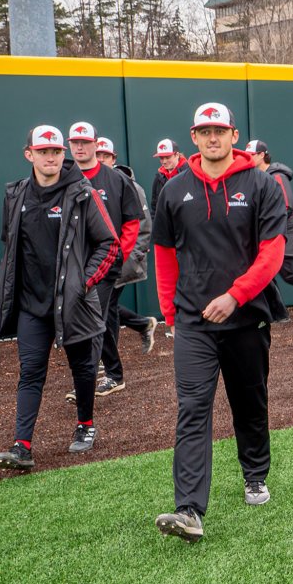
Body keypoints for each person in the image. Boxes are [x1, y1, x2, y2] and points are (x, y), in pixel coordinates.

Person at [151, 103, 288, 543]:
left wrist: (236, 296)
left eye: (220, 131)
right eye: (204, 131)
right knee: (192, 409)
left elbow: (273, 253)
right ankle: (189, 508)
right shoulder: (174, 190)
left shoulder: (262, 184)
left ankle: (254, 474)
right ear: (194, 137)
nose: (213, 138)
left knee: (250, 404)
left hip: (246, 318)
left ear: (233, 135)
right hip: (193, 322)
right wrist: (171, 314)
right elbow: (165, 255)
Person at [0, 125, 119, 471]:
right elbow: (11, 245)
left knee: (82, 369)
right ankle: (22, 446)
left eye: (57, 151)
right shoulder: (16, 195)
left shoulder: (81, 192)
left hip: (73, 304)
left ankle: (86, 424)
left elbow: (109, 243)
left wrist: (83, 284)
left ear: (63, 154)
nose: (51, 157)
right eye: (43, 151)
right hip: (33, 306)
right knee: (31, 371)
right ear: (29, 154)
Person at [67, 121, 143, 399]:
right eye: (75, 141)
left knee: (93, 317)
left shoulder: (115, 179)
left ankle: (87, 381)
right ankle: (114, 373)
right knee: (99, 319)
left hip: (106, 263)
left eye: (85, 142)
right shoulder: (64, 177)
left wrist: (118, 255)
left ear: (95, 144)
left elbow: (133, 222)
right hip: (73, 264)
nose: (79, 146)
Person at [95, 137, 158, 353]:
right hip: (97, 259)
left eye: (105, 156)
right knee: (105, 306)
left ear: (113, 158)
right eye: (98, 155)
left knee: (104, 305)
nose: (101, 159)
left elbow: (143, 224)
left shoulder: (128, 185)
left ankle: (109, 358)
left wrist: (134, 254)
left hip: (120, 257)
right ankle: (142, 325)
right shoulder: (88, 184)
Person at [246, 140, 293, 291]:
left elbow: (287, 205)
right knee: (262, 273)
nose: (248, 158)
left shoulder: (277, 176)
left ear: (262, 155)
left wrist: (269, 225)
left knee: (289, 273)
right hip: (270, 233)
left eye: (251, 155)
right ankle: (276, 312)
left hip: (283, 232)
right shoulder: (259, 177)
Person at [151, 138, 187, 207]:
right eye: (161, 158)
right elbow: (154, 207)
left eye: (167, 157)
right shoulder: (158, 177)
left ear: (177, 155)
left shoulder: (189, 173)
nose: (164, 161)